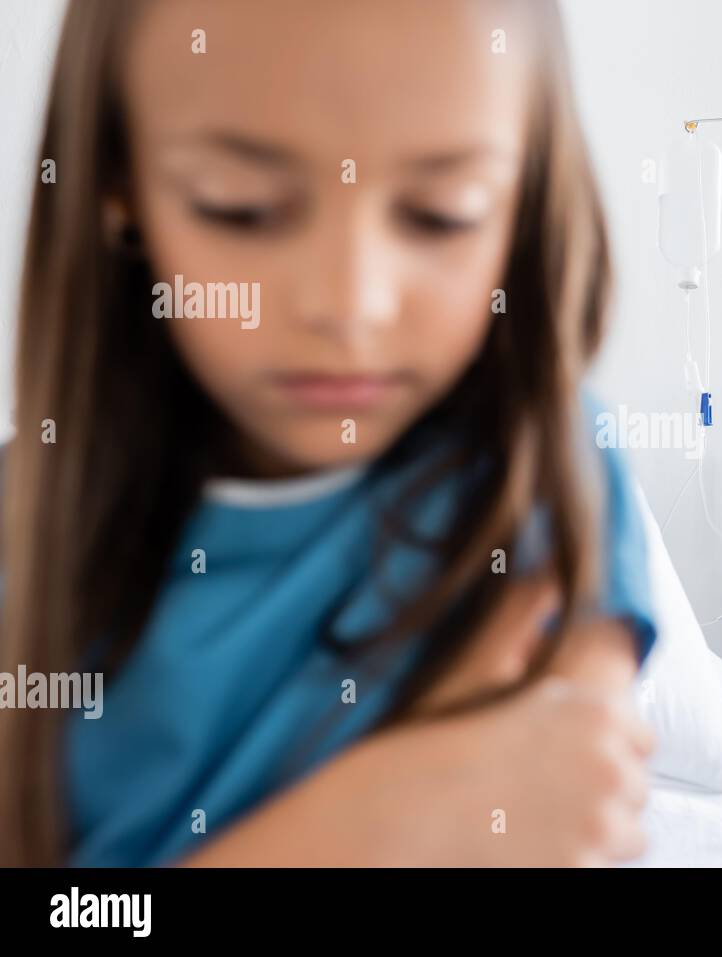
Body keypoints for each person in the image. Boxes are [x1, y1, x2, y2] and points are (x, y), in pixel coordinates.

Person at [0, 0, 656, 867]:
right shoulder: (25, 531)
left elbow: (564, 809)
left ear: (524, 200)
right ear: (118, 187)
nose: (350, 304)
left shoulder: (543, 471)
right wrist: (361, 831)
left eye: (441, 212)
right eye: (242, 208)